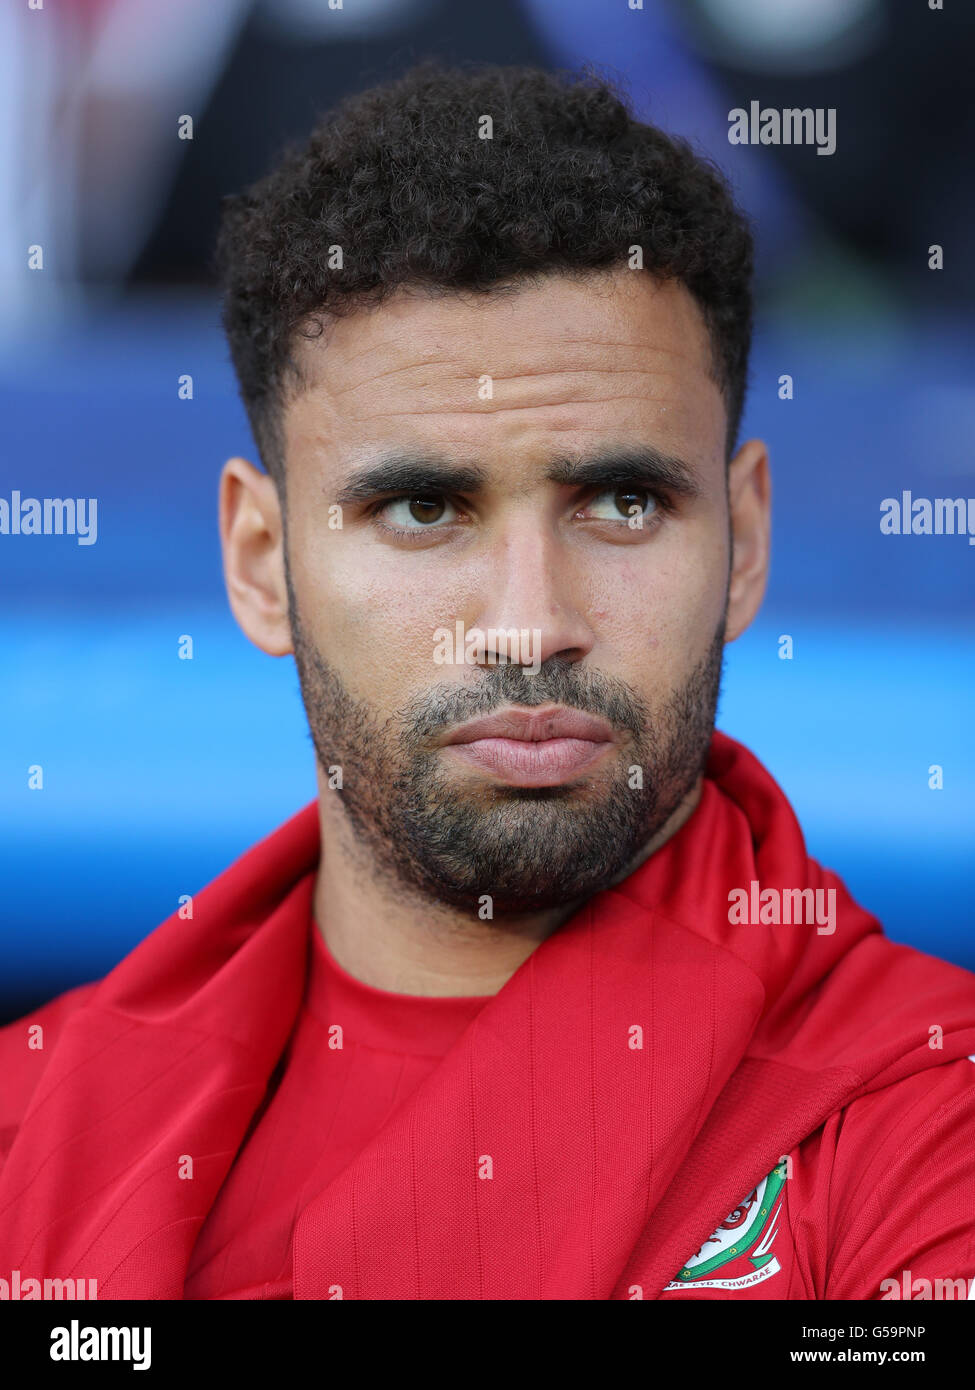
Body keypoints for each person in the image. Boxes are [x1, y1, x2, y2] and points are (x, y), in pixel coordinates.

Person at [1, 62, 973, 1302]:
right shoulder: (32, 1120)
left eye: (623, 504)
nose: (529, 626)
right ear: (259, 563)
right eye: (422, 508)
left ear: (746, 541)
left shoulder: (926, 1112)